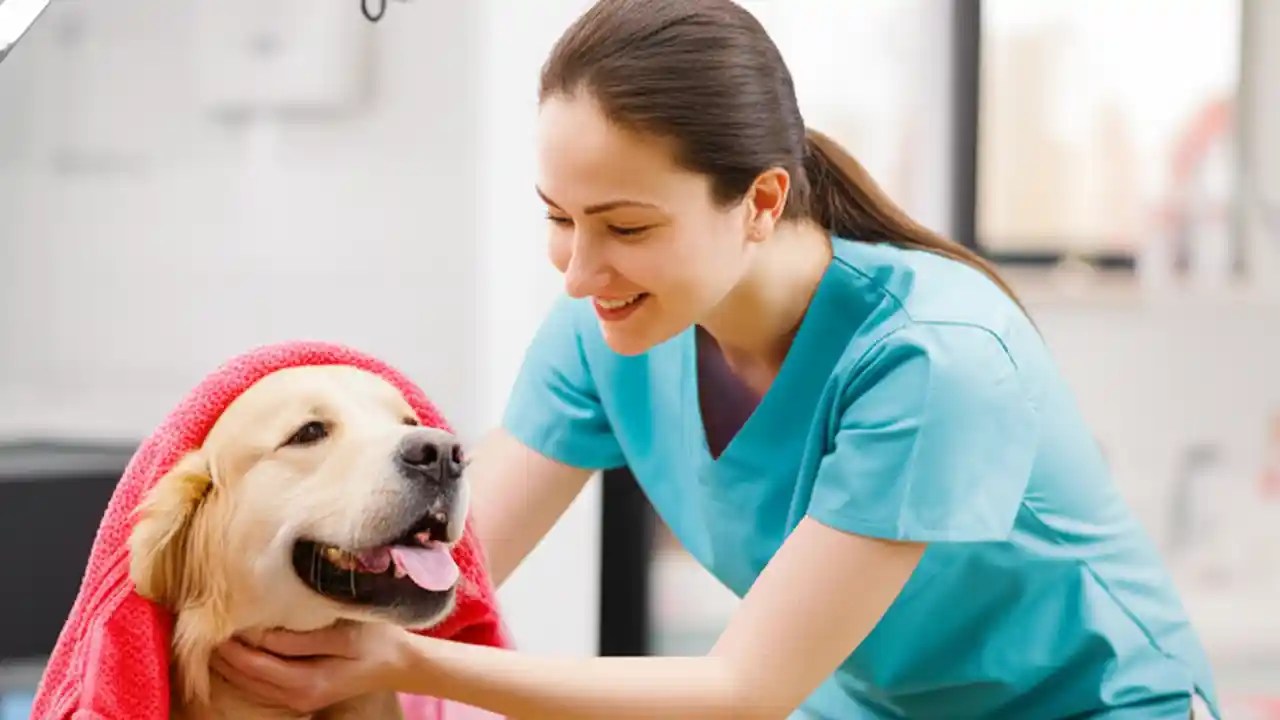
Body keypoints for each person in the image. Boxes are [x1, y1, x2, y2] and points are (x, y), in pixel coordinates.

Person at [210, 1, 1221, 717]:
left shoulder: (930, 359)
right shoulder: (602, 330)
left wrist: (401, 663)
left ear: (762, 203)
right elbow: (462, 572)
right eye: (559, 219)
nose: (579, 270)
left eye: (624, 225)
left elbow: (742, 689)